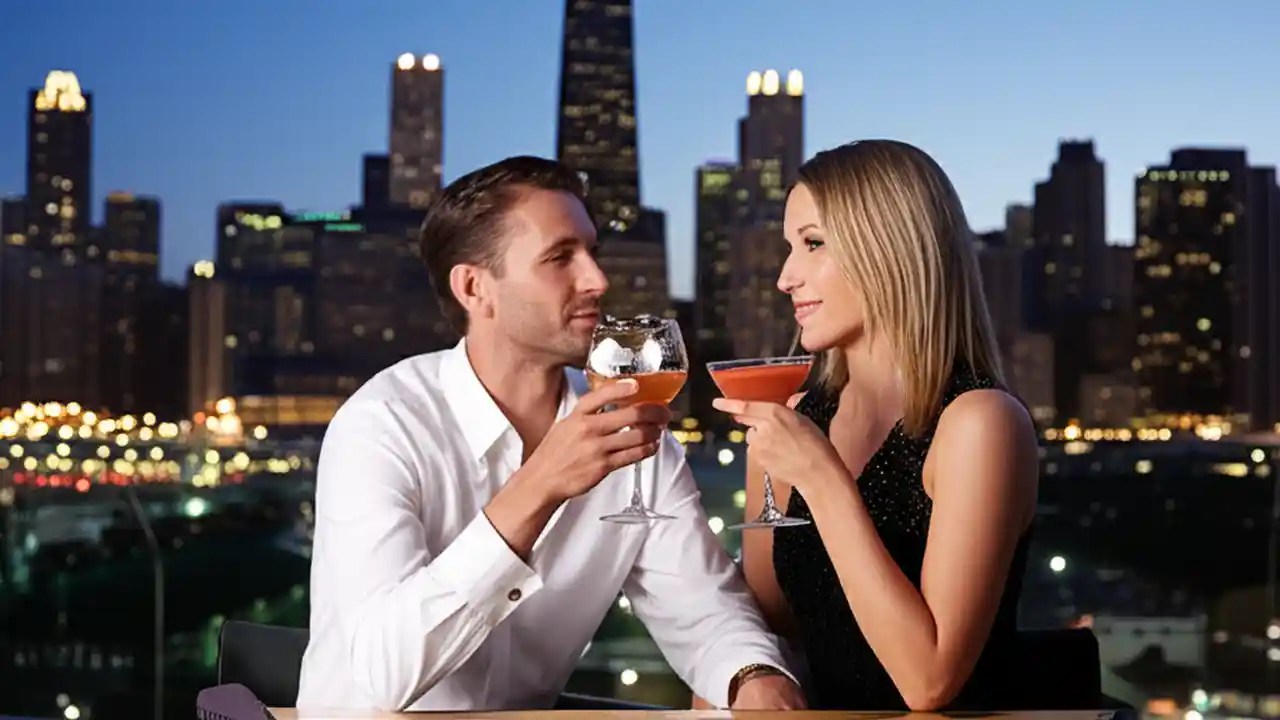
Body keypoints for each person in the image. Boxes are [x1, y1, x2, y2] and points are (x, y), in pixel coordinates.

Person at [296, 155, 804, 712]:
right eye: (560, 257)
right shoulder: (382, 425)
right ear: (473, 288)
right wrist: (536, 488)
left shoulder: (630, 427)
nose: (598, 279)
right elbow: (381, 676)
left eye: (592, 252)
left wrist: (754, 676)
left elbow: (705, 611)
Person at [712, 140, 1040, 711]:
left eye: (813, 244)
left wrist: (822, 480)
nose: (785, 277)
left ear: (887, 251)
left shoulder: (980, 423)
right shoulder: (799, 416)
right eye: (789, 248)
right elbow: (771, 622)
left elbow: (929, 682)